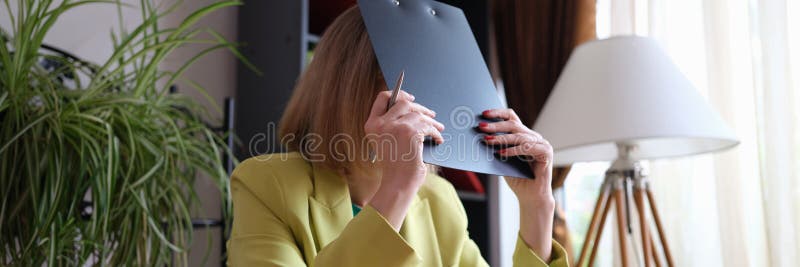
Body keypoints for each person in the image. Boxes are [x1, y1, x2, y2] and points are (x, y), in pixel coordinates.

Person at [227, 6, 568, 267]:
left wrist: (537, 208)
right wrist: (396, 189)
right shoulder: (265, 184)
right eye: (416, 89)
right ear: (349, 89)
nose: (433, 110)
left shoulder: (439, 199)